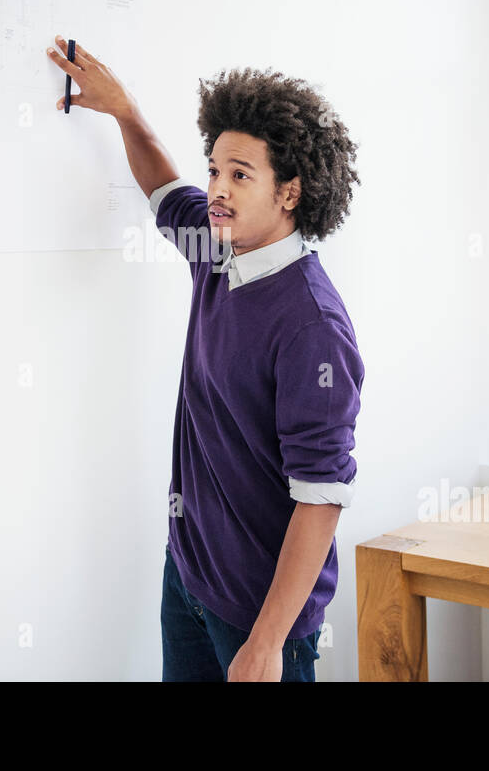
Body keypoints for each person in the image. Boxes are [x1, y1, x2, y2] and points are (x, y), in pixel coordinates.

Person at [47, 36, 362, 682]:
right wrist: (126, 112)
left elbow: (322, 499)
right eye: (214, 169)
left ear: (290, 193)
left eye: (239, 175)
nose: (216, 189)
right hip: (189, 582)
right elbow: (163, 185)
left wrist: (267, 643)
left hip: (261, 618)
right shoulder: (217, 249)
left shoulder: (314, 328)